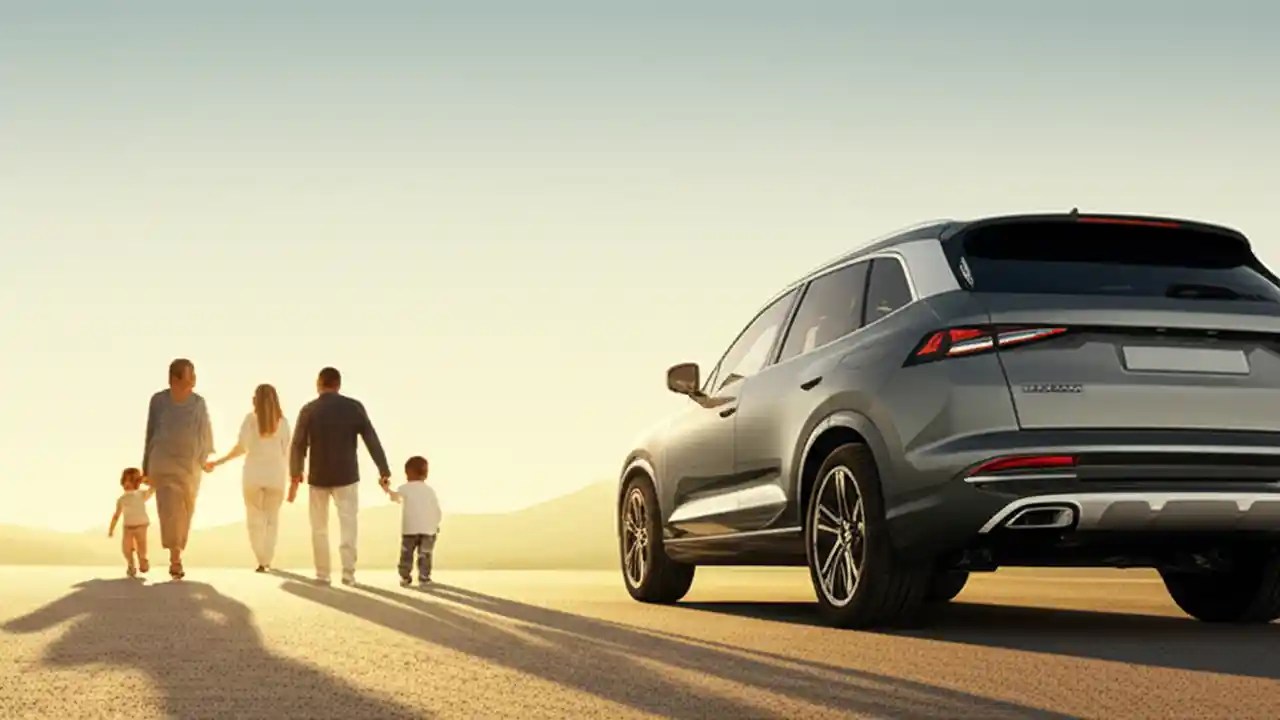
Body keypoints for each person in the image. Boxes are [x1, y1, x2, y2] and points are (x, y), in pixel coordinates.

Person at [289, 366, 391, 586]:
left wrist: (295, 473)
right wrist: (383, 469)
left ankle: (322, 574)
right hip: (347, 476)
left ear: (319, 384)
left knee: (319, 528)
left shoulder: (309, 410)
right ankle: (348, 574)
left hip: (318, 477)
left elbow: (297, 444)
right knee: (348, 525)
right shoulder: (354, 407)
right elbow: (371, 439)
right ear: (338, 384)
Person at [204, 383, 292, 573]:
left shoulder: (250, 420)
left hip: (253, 475)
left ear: (256, 400)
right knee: (272, 519)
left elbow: (241, 448)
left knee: (254, 518)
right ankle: (267, 558)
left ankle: (261, 559)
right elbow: (287, 451)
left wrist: (218, 462)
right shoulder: (283, 422)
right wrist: (294, 476)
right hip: (276, 475)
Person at [143, 358, 214, 580]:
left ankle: (177, 551)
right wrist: (146, 466)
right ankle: (175, 558)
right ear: (174, 378)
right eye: (189, 375)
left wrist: (205, 457)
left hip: (190, 465)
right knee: (170, 508)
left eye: (194, 375)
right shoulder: (158, 401)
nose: (194, 380)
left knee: (186, 510)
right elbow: (151, 431)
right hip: (163, 462)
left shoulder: (198, 403)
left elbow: (205, 430)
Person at [385, 455, 442, 588]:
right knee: (425, 554)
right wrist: (436, 525)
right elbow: (436, 510)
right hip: (428, 529)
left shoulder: (405, 488)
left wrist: (386, 488)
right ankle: (424, 577)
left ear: (407, 472)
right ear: (426, 473)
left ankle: (405, 577)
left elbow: (395, 498)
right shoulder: (429, 491)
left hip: (409, 529)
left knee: (406, 554)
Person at [108, 468, 154, 578]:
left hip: (141, 525)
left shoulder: (141, 494)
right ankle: (131, 564)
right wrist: (111, 529)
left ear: (136, 482)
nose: (127, 483)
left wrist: (146, 480)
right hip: (128, 526)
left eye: (131, 481)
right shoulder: (121, 499)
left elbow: (153, 488)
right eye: (125, 481)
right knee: (126, 547)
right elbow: (116, 515)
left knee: (141, 545)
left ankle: (143, 559)